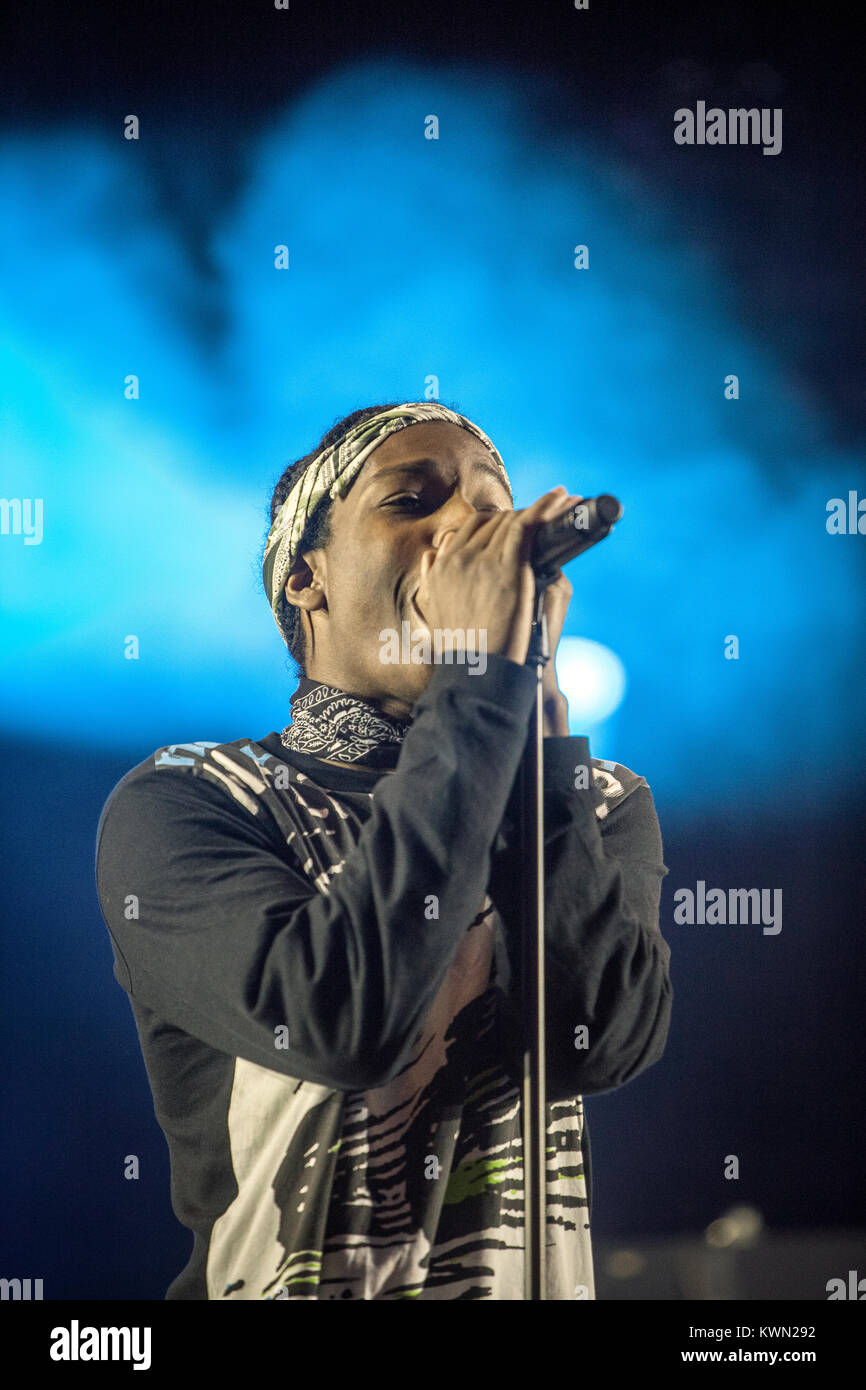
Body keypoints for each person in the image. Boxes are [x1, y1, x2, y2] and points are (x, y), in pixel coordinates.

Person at [95, 400, 672, 1300]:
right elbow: (338, 1022)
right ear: (306, 579)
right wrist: (479, 679)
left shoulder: (598, 801)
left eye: (486, 512)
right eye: (411, 502)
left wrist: (531, 744)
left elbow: (596, 1044)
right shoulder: (191, 798)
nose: (461, 531)